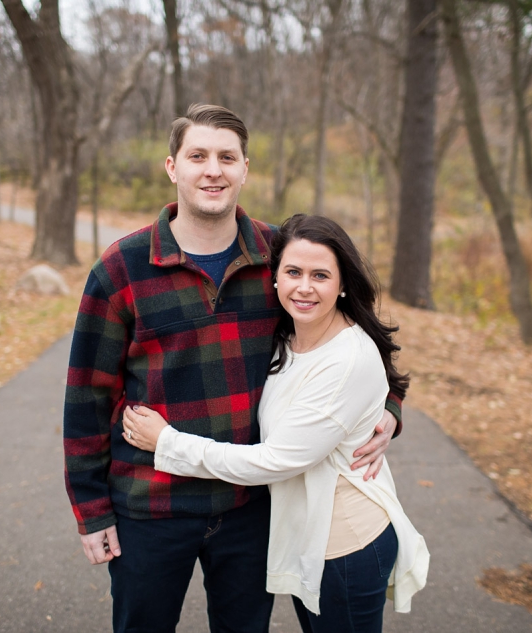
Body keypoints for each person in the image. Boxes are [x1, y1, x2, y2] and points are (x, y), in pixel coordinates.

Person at [63, 104, 404, 633]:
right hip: (151, 505)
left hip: (251, 508)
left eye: (227, 157)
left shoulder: (280, 257)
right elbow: (86, 397)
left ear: (245, 168)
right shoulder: (121, 268)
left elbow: (358, 338)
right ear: (173, 167)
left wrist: (384, 410)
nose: (213, 170)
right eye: (197, 155)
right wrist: (91, 509)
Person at [122, 214, 429, 632]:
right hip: (309, 539)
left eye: (320, 275)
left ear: (342, 284)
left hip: (344, 545)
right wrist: (388, 408)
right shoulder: (289, 333)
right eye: (293, 272)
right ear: (275, 279)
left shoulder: (346, 358)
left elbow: (275, 461)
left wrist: (167, 443)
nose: (304, 286)